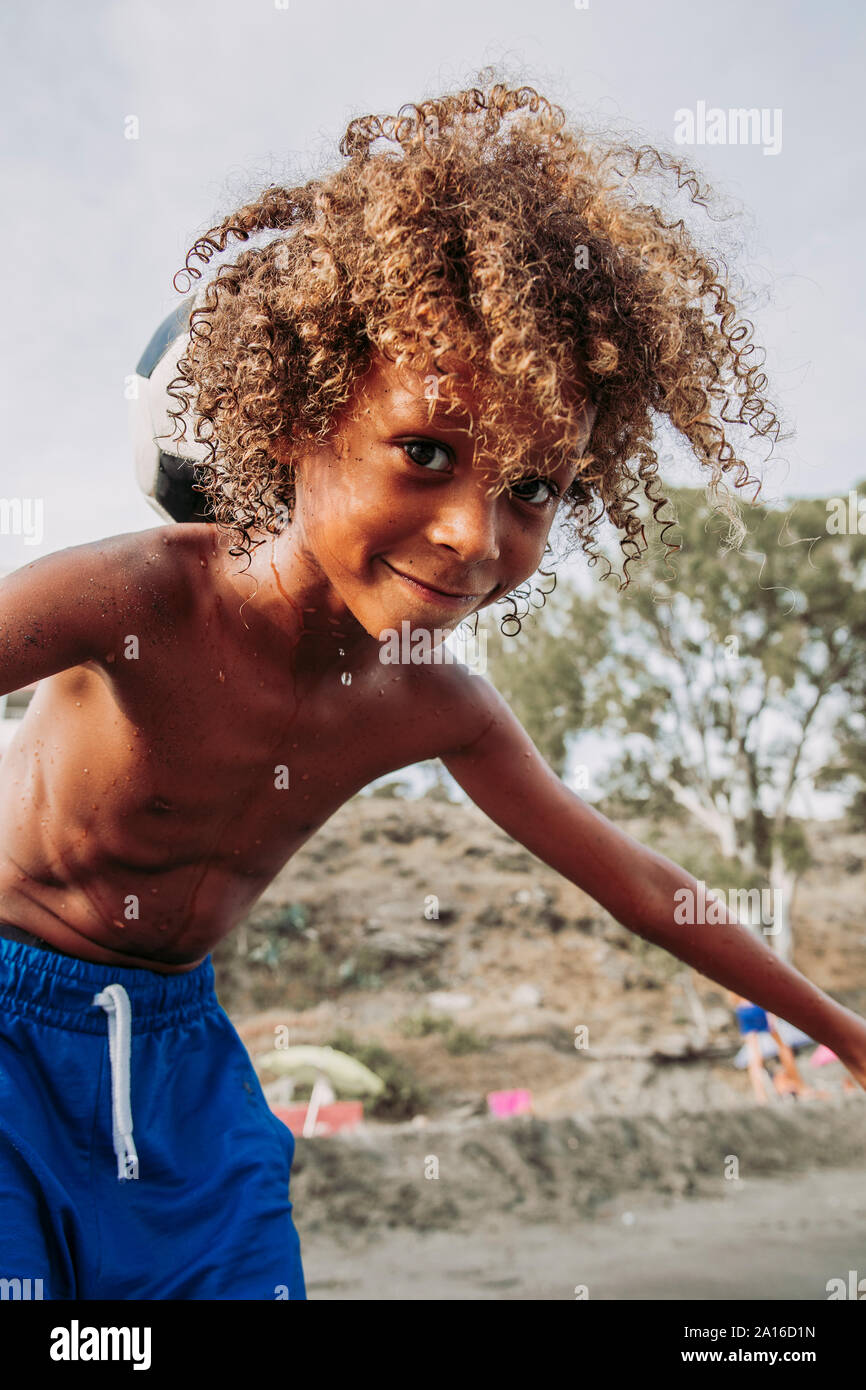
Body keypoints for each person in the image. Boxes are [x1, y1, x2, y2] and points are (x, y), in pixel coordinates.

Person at [2, 75, 866, 1301]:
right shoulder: (135, 599)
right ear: (296, 422)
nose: (474, 533)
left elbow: (644, 886)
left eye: (533, 489)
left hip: (182, 1059)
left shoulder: (433, 702)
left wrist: (839, 1027)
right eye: (425, 452)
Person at [728, 992, 826, 1104]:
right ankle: (800, 1086)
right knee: (783, 1047)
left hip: (743, 1009)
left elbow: (733, 998)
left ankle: (760, 1096)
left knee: (754, 1055)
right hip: (757, 1006)